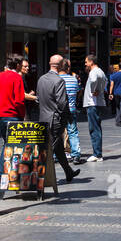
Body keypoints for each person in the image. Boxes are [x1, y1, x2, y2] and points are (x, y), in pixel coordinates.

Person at [36, 54, 79, 184]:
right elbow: (62, 103)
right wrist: (66, 117)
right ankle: (38, 177)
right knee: (49, 150)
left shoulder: (41, 79)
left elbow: (38, 98)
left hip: (43, 117)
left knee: (58, 146)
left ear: (50, 63)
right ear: (60, 66)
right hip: (55, 119)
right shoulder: (59, 81)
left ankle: (68, 171)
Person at [0, 53, 33, 140]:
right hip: (13, 115)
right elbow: (19, 100)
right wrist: (22, 115)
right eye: (21, 64)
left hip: (0, 115)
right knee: (13, 144)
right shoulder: (17, 77)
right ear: (18, 65)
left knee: (7, 143)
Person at [81, 54, 107, 162]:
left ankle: (97, 154)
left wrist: (93, 90)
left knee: (94, 128)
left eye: (86, 62)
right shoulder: (101, 71)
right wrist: (100, 90)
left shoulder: (93, 72)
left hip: (92, 103)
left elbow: (93, 80)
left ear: (91, 62)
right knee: (97, 128)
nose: (85, 64)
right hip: (99, 103)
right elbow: (106, 81)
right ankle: (98, 153)